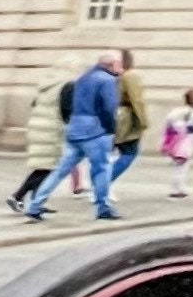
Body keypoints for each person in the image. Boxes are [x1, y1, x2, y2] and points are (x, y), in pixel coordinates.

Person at [27, 51, 124, 222]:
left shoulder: (83, 78)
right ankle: (104, 207)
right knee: (101, 169)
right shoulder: (107, 80)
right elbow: (109, 108)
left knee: (60, 171)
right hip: (95, 130)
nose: (121, 68)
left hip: (75, 128)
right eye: (118, 64)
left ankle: (35, 205)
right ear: (111, 65)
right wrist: (111, 129)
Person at [7, 71, 68, 214]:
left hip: (38, 127)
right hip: (49, 130)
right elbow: (65, 111)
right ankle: (18, 196)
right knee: (47, 167)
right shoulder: (61, 90)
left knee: (45, 167)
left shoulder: (43, 91)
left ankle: (35, 201)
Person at [108, 48, 152, 189]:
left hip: (110, 117)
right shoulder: (130, 76)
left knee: (107, 154)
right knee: (129, 153)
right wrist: (144, 121)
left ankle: (101, 185)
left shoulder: (111, 76)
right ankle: (104, 184)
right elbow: (137, 100)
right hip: (126, 119)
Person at [159, 87, 193, 194]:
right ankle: (178, 188)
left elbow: (167, 124)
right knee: (183, 166)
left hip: (174, 140)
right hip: (187, 142)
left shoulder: (175, 111)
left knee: (178, 164)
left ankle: (176, 186)